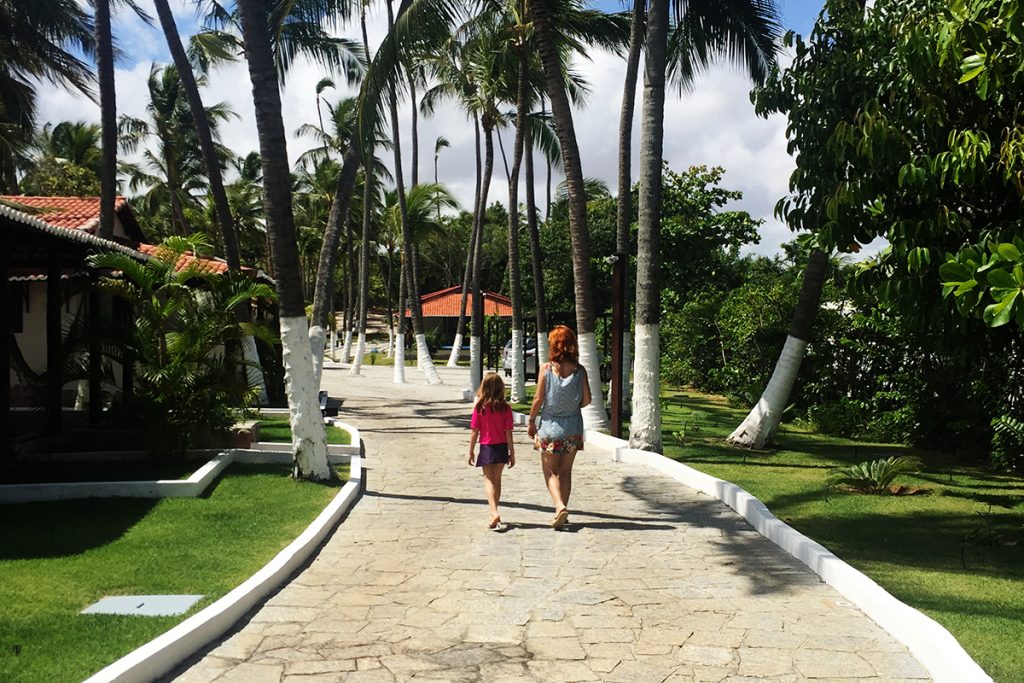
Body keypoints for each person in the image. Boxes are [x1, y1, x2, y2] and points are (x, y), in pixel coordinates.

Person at [527, 325, 591, 529]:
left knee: (549, 471)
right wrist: (572, 405)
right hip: (573, 426)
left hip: (549, 426)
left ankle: (559, 506)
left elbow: (538, 398)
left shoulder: (546, 369)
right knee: (566, 471)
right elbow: (587, 400)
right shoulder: (580, 370)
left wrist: (531, 421)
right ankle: (562, 510)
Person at [468, 372, 516, 530]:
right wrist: (512, 453)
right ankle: (493, 512)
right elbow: (508, 431)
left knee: (488, 480)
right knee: (497, 480)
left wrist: (471, 451)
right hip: (501, 447)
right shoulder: (506, 408)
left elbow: (475, 431)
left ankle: (493, 511)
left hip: (487, 446)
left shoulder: (480, 408)